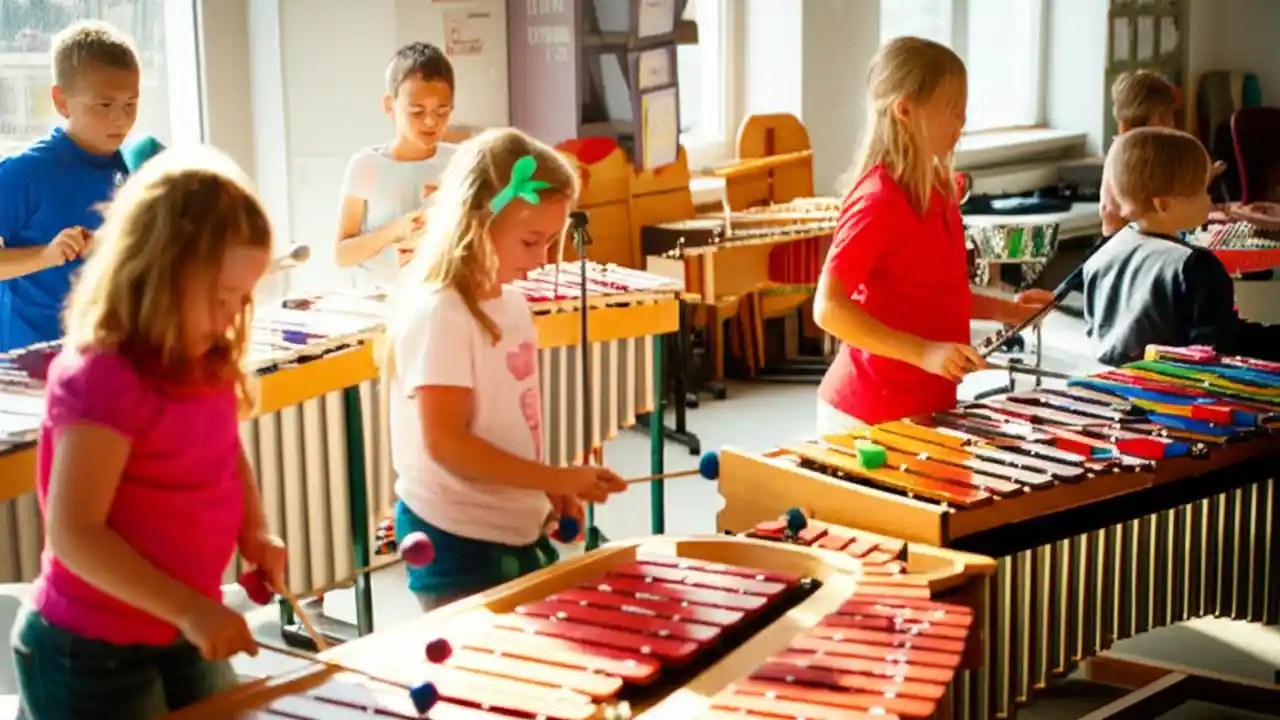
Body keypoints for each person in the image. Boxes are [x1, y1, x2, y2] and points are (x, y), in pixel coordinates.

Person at [10, 146, 287, 720]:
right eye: (220, 298)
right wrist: (190, 609)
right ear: (160, 274)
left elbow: (224, 452)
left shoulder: (203, 359)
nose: (231, 318)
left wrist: (254, 530)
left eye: (241, 300)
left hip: (181, 624)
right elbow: (75, 533)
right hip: (91, 651)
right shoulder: (104, 377)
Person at [386, 127, 627, 610]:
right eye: (531, 241)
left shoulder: (513, 307)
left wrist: (544, 487)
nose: (542, 259)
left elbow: (507, 424)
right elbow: (447, 444)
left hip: (512, 527)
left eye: (552, 242)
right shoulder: (442, 314)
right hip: (454, 535)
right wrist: (555, 478)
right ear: (478, 223)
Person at [812, 36, 1051, 433]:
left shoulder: (938, 191)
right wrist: (925, 353)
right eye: (952, 109)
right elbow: (828, 308)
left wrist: (1009, 311)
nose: (962, 122)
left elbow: (934, 296)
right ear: (905, 110)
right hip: (867, 414)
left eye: (964, 110)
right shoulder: (878, 199)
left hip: (927, 403)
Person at [1083, 127, 1280, 364]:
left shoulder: (1103, 251)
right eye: (1203, 191)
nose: (1210, 199)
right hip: (1173, 383)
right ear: (1163, 204)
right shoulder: (1197, 266)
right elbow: (1216, 349)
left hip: (1109, 377)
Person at [0, 21, 139, 351]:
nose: (121, 119)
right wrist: (46, 255)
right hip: (30, 366)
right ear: (62, 101)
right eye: (104, 105)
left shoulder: (122, 169)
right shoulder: (24, 172)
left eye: (131, 104)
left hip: (98, 355)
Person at [335, 41, 458, 291]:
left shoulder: (460, 161)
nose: (430, 121)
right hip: (379, 299)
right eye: (416, 111)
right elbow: (342, 254)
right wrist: (395, 231)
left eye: (442, 111)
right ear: (389, 106)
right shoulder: (366, 165)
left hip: (441, 296)